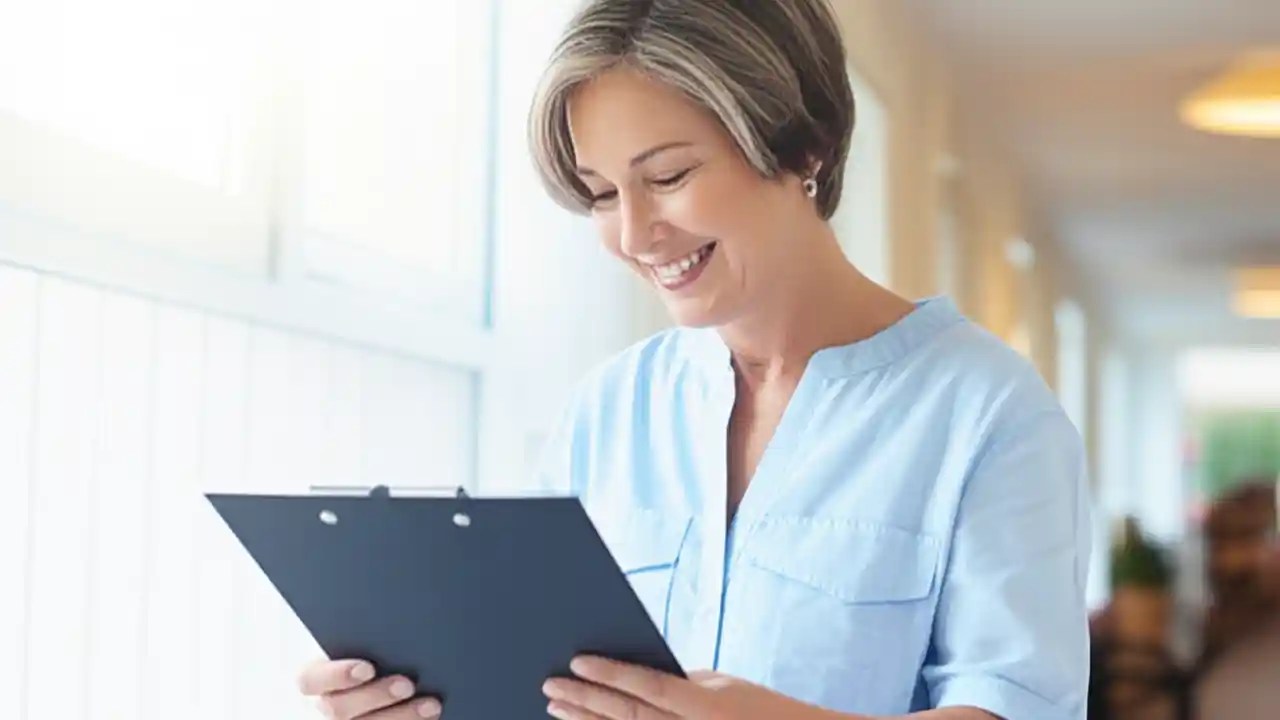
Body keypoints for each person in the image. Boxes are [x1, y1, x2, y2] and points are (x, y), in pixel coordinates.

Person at [296, 1, 1092, 718]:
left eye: (668, 176)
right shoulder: (608, 410)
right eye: (602, 194)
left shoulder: (989, 414)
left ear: (803, 146)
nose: (636, 235)